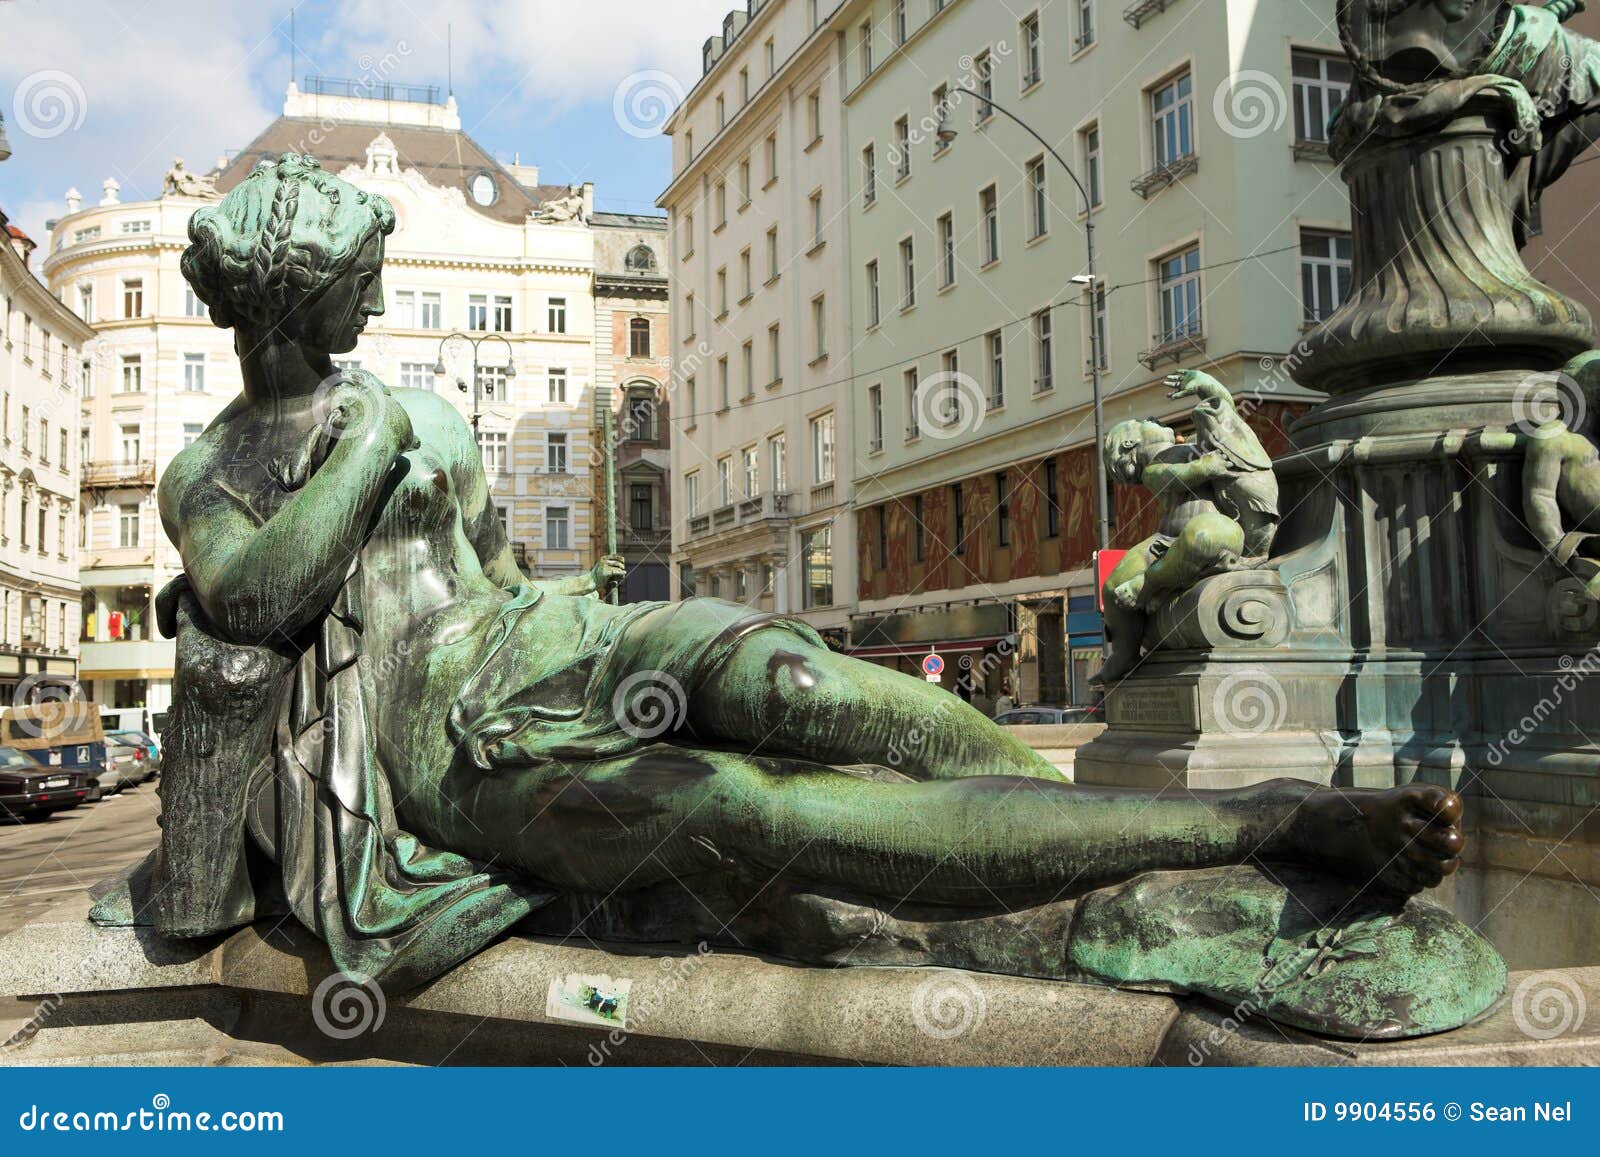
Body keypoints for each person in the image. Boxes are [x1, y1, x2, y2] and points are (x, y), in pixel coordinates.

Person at [155, 154, 1467, 987]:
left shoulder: (428, 418)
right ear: (296, 298)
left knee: (792, 675)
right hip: (445, 742)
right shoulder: (213, 470)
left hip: (547, 640)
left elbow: (501, 571)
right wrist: (366, 441)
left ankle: (1079, 851)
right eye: (360, 279)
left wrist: (606, 640)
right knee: (746, 807)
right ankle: (1264, 824)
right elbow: (257, 598)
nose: (377, 300)